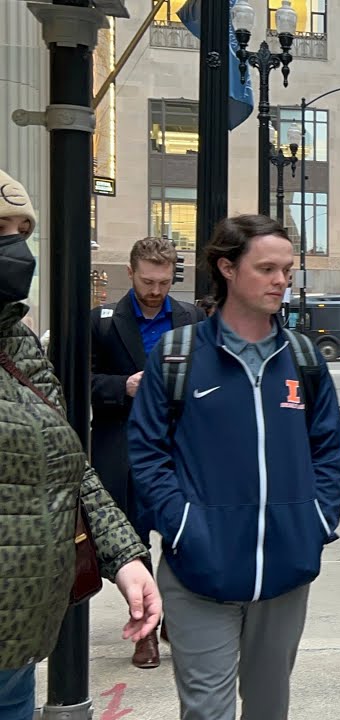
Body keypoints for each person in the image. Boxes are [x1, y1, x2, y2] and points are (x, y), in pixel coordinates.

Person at [128, 214, 340, 720]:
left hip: (285, 571)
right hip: (199, 572)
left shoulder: (304, 359)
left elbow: (329, 451)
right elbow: (147, 453)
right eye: (266, 269)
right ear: (227, 268)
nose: (280, 281)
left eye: (287, 270)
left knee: (269, 708)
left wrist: (315, 522)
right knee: (207, 711)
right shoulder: (178, 356)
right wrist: (182, 525)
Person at [0, 168, 162, 719]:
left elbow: (65, 461)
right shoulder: (100, 322)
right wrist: (122, 387)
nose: (16, 251)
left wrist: (124, 558)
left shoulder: (18, 344)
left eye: (21, 232)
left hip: (20, 641)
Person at [90, 236, 201, 668]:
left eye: (164, 282)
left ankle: (174, 616)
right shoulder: (101, 323)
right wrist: (124, 386)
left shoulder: (191, 318)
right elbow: (77, 381)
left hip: (180, 444)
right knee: (133, 540)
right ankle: (145, 630)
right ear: (130, 273)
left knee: (181, 535)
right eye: (147, 281)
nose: (155, 290)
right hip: (125, 444)